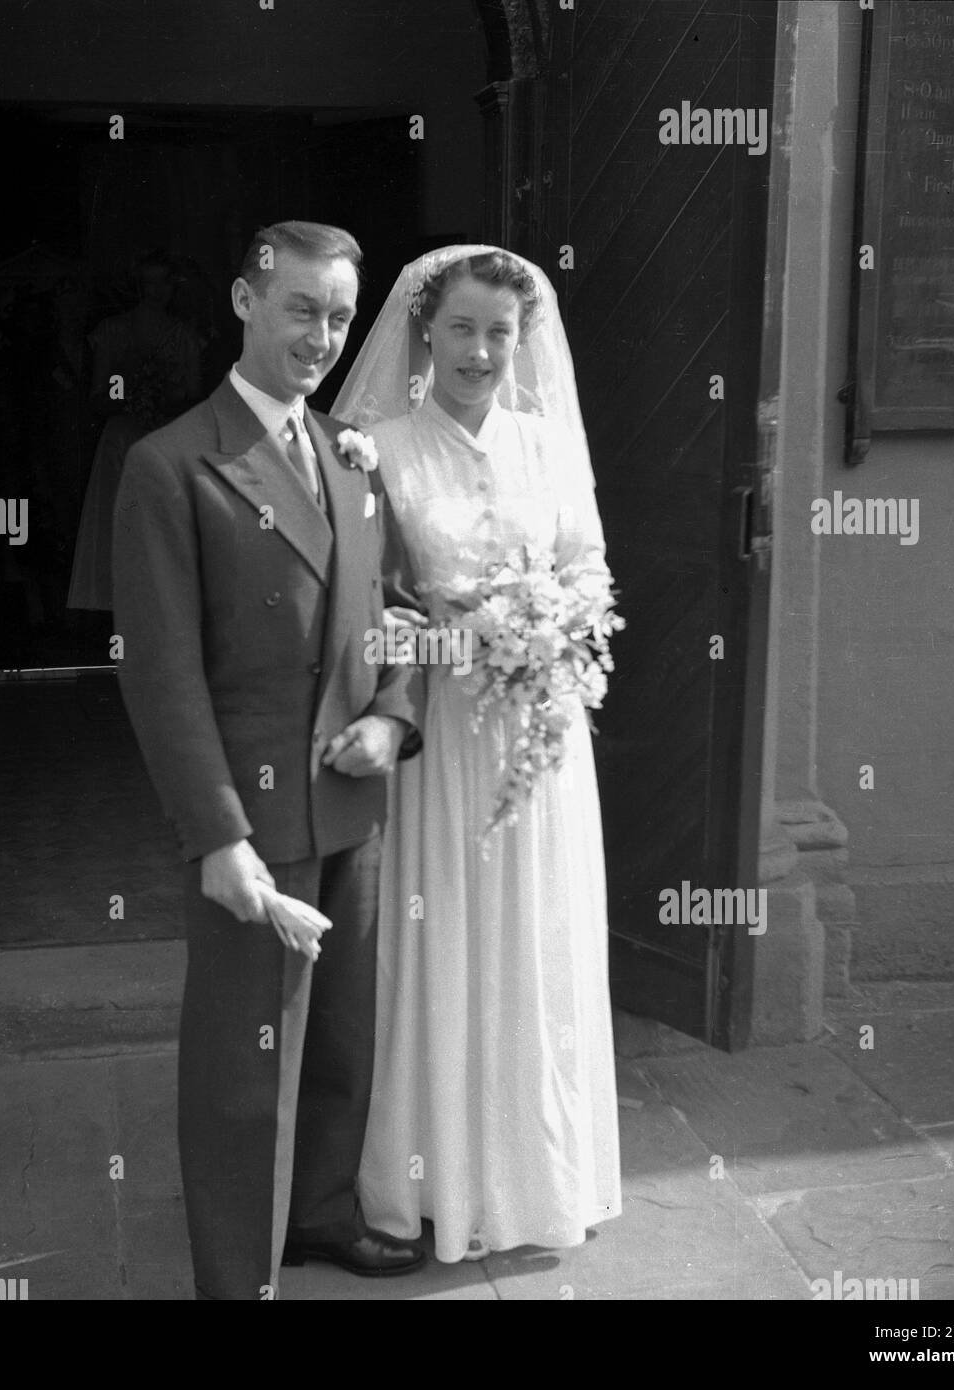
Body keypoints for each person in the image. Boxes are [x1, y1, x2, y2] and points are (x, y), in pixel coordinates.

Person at [111, 221, 427, 1300]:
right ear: (245, 303)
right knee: (246, 1068)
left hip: (351, 802)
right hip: (251, 821)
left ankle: (321, 1215)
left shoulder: (349, 452)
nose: (322, 337)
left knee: (342, 1034)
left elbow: (398, 612)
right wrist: (215, 836)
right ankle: (238, 1274)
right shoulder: (171, 465)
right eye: (301, 309)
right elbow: (160, 673)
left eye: (339, 316)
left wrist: (392, 717)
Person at [333, 245, 623, 1263]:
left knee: (532, 933)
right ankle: (431, 1176)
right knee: (442, 932)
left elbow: (587, 571)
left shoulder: (548, 445)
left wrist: (552, 628)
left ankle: (537, 1176)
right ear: (424, 330)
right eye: (460, 327)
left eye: (499, 331)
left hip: (537, 741)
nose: (480, 350)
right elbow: (365, 615)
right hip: (439, 743)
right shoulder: (376, 449)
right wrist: (464, 639)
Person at [68, 249, 203, 612]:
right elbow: (100, 395)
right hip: (124, 440)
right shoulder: (114, 331)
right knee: (122, 519)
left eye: (164, 283)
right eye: (149, 283)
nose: (156, 291)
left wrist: (162, 400)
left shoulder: (185, 336)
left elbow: (194, 396)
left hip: (169, 437)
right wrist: (133, 394)